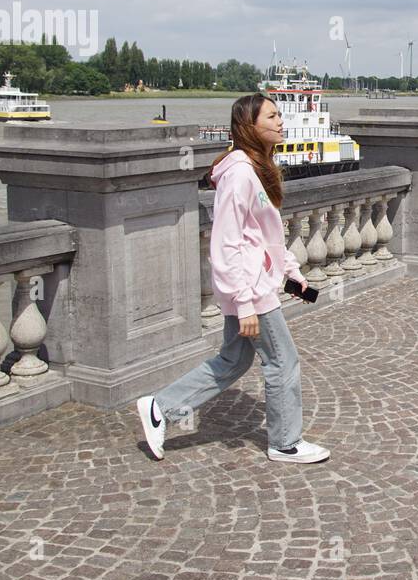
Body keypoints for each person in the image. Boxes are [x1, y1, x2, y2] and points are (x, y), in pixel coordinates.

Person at [135, 94, 330, 463]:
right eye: (271, 116)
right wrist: (245, 304)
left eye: (279, 115)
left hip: (252, 285)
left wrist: (291, 272)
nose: (280, 121)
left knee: (233, 360)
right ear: (249, 126)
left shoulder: (254, 169)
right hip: (251, 291)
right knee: (283, 362)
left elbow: (264, 236)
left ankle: (160, 407)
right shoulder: (240, 174)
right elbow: (226, 243)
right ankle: (285, 443)